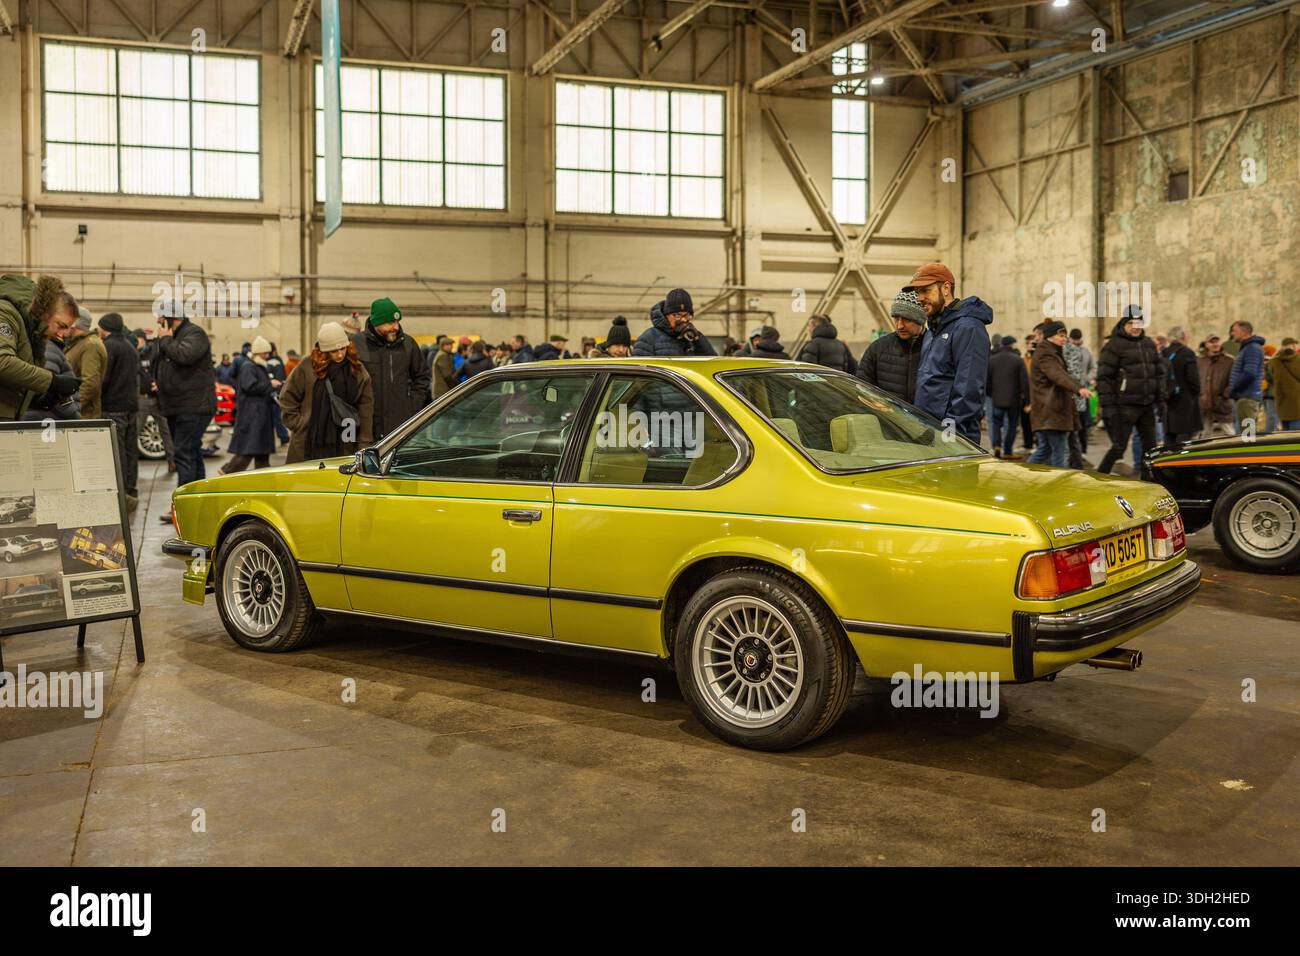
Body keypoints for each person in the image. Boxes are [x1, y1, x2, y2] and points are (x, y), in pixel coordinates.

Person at [906, 262, 993, 443]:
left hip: (952, 435)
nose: (920, 298)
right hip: (928, 430)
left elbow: (969, 389)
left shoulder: (968, 327)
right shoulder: (932, 331)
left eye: (926, 291)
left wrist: (950, 434)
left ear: (946, 288)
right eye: (917, 293)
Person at [280, 322, 374, 464]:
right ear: (323, 351)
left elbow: (365, 408)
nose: (340, 354)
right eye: (334, 351)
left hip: (346, 438)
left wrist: (364, 443)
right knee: (304, 484)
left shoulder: (357, 370)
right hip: (308, 441)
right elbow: (287, 397)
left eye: (343, 348)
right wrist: (299, 423)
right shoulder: (308, 366)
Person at [154, 308, 216, 520]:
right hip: (179, 405)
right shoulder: (175, 336)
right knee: (191, 451)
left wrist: (164, 340)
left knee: (184, 453)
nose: (159, 323)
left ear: (173, 318)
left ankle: (183, 510)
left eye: (162, 320)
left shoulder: (194, 334)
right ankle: (199, 504)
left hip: (193, 406)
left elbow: (184, 355)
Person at [0, 274, 82, 421]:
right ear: (46, 312)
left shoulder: (34, 331)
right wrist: (52, 381)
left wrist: (40, 398)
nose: (61, 335)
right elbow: (3, 361)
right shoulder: (5, 313)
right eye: (61, 326)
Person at [1095, 305, 1166, 474]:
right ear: (1124, 324)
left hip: (1147, 405)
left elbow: (1159, 373)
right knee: (1119, 447)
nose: (1135, 326)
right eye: (1131, 323)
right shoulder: (1114, 345)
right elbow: (1104, 378)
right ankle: (1098, 476)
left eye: (1139, 322)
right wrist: (1108, 407)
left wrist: (1161, 399)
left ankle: (1146, 480)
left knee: (1151, 448)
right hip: (1124, 406)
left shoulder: (1148, 343)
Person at [350, 297, 429, 441]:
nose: (396, 327)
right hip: (366, 427)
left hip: (400, 426)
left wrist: (412, 405)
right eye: (390, 322)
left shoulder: (409, 344)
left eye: (397, 322)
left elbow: (422, 377)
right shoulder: (356, 345)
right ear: (376, 323)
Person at [1028, 322, 1092, 467]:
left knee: (1045, 450)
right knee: (1060, 451)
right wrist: (1078, 388)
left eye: (1065, 336)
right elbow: (1057, 375)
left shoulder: (1051, 351)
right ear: (1051, 336)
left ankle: (1020, 476)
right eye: (1061, 336)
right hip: (1051, 410)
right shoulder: (1046, 353)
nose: (1064, 339)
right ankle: (1058, 485)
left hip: (1048, 410)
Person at [97, 313, 141, 508]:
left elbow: (105, 379)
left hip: (114, 406)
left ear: (105, 328)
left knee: (118, 450)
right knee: (131, 449)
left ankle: (122, 492)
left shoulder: (109, 347)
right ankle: (131, 487)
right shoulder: (131, 347)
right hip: (132, 406)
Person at [220, 336, 278, 473]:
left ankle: (264, 480)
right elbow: (250, 386)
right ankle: (227, 472)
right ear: (257, 353)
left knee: (260, 451)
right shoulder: (248, 367)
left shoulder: (256, 366)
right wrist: (270, 384)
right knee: (249, 450)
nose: (267, 356)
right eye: (265, 353)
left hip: (259, 415)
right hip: (253, 416)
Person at [856, 291, 926, 403]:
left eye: (906, 319)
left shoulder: (935, 348)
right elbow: (862, 387)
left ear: (920, 319)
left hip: (925, 419)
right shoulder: (878, 348)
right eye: (896, 318)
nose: (899, 325)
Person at [632, 288, 717, 356]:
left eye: (686, 315)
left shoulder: (692, 338)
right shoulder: (649, 338)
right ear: (666, 315)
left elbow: (712, 363)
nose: (683, 320)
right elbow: (639, 373)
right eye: (677, 315)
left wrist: (698, 339)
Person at [986, 335, 1029, 460]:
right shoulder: (1017, 360)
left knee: (996, 424)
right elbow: (1024, 382)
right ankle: (1008, 451)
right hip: (1013, 400)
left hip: (997, 399)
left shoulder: (992, 360)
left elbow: (987, 381)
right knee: (1011, 425)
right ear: (1012, 345)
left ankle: (997, 446)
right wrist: (1026, 400)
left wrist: (990, 394)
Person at [1161, 326, 1202, 446]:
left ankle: (1167, 462)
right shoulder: (1187, 353)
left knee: (1169, 437)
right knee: (1184, 439)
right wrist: (1196, 393)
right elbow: (1193, 378)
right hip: (1185, 401)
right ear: (1183, 336)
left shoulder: (1163, 353)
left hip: (1168, 400)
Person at [65, 308, 108, 420]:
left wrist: (71, 406)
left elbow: (90, 382)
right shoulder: (79, 344)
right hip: (78, 414)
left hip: (84, 415)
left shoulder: (90, 345)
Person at [1227, 320, 1265, 435]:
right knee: (1246, 435)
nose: (1232, 334)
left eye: (1234, 331)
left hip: (1247, 398)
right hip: (1244, 398)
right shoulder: (1247, 348)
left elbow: (1250, 373)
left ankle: (1251, 454)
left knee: (1248, 436)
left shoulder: (1252, 348)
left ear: (1244, 332)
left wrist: (1234, 388)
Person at [1064, 328, 1096, 462]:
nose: (1076, 342)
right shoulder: (1065, 351)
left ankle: (1083, 449)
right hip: (1070, 390)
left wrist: (1086, 379)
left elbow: (1093, 367)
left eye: (1078, 340)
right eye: (1074, 340)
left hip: (1083, 390)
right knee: (1071, 423)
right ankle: (1071, 451)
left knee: (1083, 423)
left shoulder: (1086, 352)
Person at [1197, 334, 1235, 438]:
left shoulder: (1229, 361)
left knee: (1230, 433)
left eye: (1217, 341)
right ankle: (1205, 454)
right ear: (1206, 345)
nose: (1215, 344)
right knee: (1205, 434)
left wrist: (1225, 395)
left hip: (1222, 403)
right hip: (1205, 403)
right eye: (1212, 342)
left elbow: (1233, 381)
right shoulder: (1200, 361)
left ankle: (1239, 452)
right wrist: (1201, 395)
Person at [1269, 338, 1300, 431]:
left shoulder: (1274, 361)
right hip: (1298, 404)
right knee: (1296, 438)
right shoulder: (1298, 359)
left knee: (1286, 436)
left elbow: (1269, 377)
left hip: (1281, 402)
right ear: (1293, 346)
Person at [265, 343, 290, 446]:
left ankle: (284, 437)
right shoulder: (278, 361)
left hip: (274, 393)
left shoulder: (272, 362)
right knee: (276, 417)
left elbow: (277, 379)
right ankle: (283, 437)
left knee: (276, 417)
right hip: (278, 392)